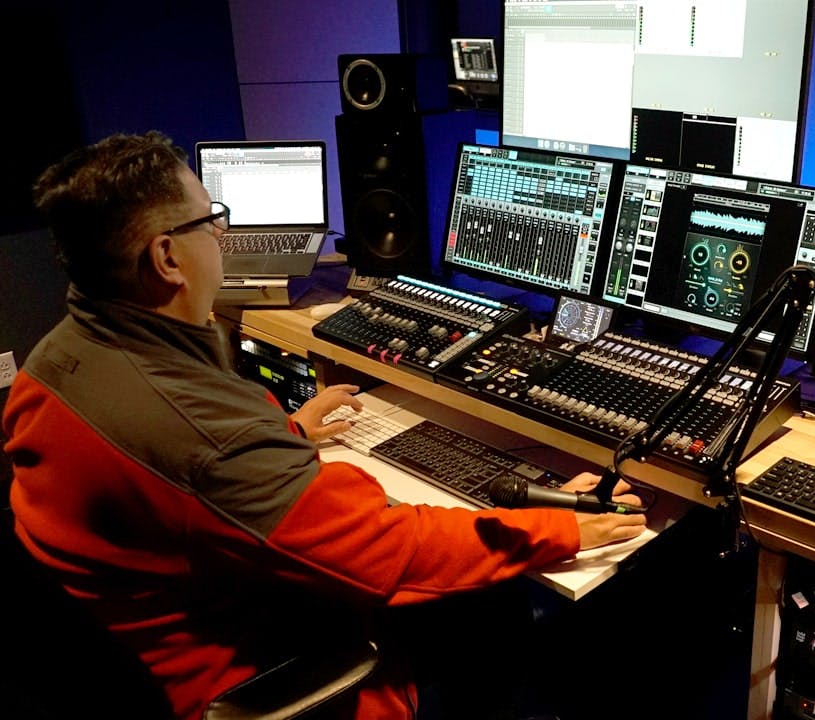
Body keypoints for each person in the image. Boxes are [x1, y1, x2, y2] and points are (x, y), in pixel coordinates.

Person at [2, 131, 647, 719]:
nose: (223, 235)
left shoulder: (52, 363)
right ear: (167, 256)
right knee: (494, 603)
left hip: (154, 652)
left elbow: (180, 480)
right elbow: (390, 549)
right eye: (212, 219)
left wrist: (285, 436)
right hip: (267, 677)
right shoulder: (208, 438)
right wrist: (560, 527)